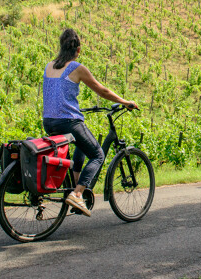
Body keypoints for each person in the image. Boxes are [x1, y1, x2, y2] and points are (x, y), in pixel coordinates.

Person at [42, 28, 138, 216]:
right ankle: (77, 194)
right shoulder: (76, 68)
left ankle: (76, 189)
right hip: (68, 121)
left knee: (81, 147)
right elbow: (102, 91)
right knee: (98, 155)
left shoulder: (48, 66)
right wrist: (125, 101)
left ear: (61, 47)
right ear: (78, 50)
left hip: (49, 121)